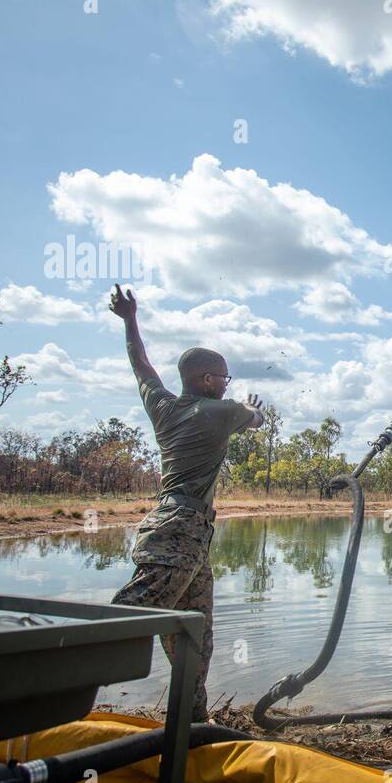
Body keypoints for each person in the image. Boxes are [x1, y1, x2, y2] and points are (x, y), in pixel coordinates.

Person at [107, 284, 265, 720]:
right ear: (207, 380)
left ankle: (191, 726)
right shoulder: (219, 411)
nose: (227, 383)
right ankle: (40, 679)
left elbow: (141, 365)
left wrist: (129, 320)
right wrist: (252, 407)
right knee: (129, 615)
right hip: (180, 530)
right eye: (224, 377)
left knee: (196, 637)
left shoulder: (162, 406)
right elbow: (257, 418)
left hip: (188, 532)